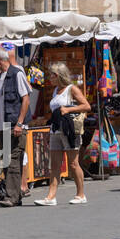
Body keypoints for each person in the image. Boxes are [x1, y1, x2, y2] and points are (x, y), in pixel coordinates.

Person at [34, 63, 89, 206]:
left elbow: (86, 106)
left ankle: (81, 194)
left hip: (69, 131)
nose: (49, 78)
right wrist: (49, 130)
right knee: (55, 165)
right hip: (55, 131)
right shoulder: (55, 90)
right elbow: (54, 113)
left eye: (51, 75)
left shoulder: (72, 89)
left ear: (57, 76)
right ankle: (51, 197)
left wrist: (69, 110)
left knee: (73, 163)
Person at [0, 47, 31, 206]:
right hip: (2, 126)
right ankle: (14, 195)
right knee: (7, 160)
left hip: (15, 125)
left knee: (13, 159)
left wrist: (20, 123)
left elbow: (25, 99)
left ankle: (11, 197)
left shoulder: (17, 74)